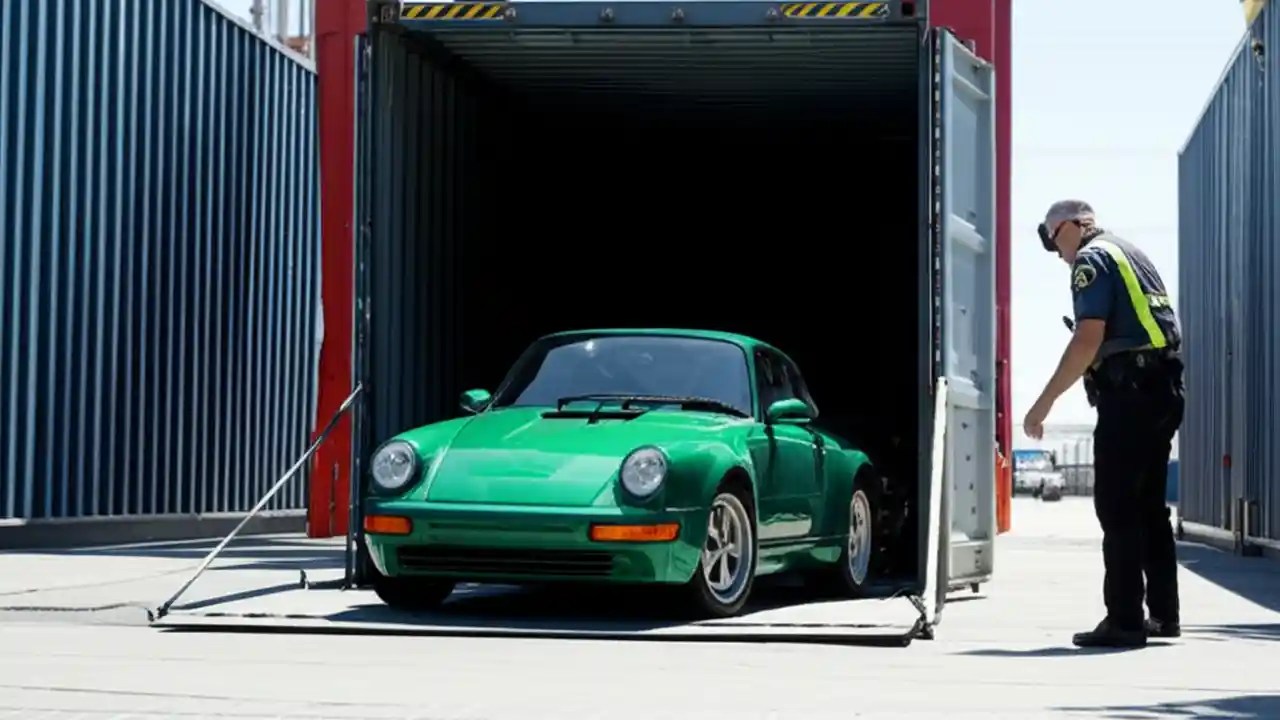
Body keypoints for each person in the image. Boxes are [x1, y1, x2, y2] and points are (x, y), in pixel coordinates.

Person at [1022, 200, 1185, 648]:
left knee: (1117, 507)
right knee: (1150, 508)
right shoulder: (1130, 253)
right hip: (1163, 389)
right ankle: (1164, 615)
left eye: (1053, 239)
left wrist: (1042, 404)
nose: (1057, 253)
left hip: (1130, 396)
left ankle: (1125, 620)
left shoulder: (1091, 260)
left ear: (1073, 227)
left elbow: (1087, 339)